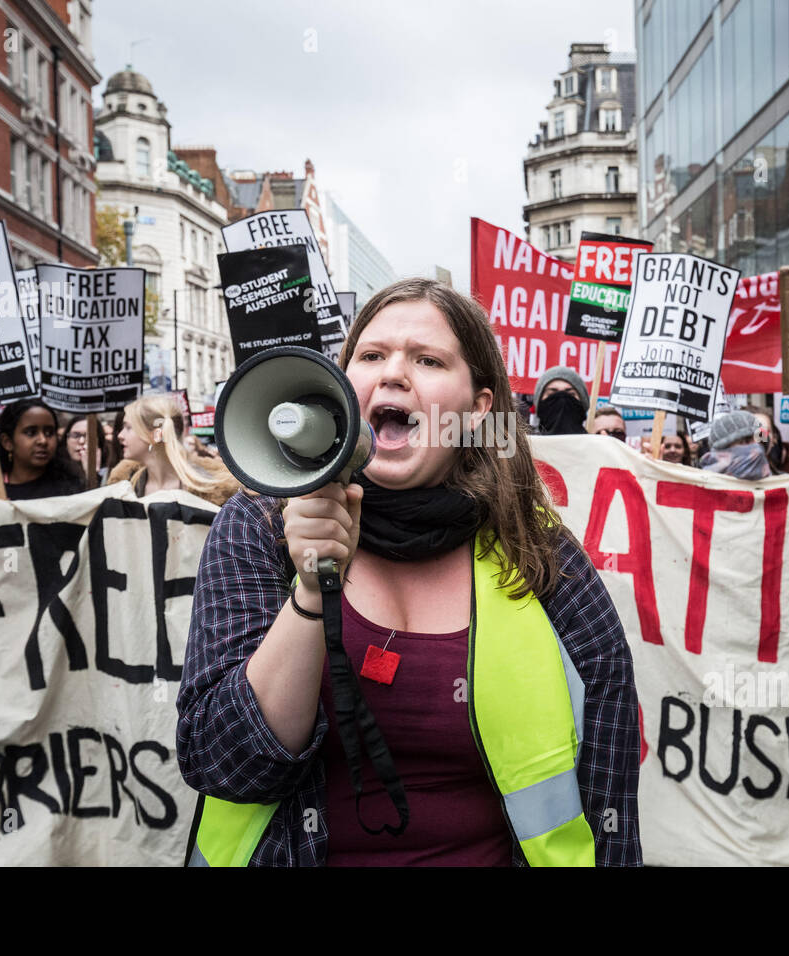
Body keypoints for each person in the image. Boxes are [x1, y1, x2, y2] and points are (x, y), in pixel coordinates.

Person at [178, 277, 641, 866]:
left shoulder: (543, 558)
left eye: (427, 359)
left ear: (477, 412)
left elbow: (611, 797)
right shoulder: (260, 529)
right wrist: (309, 595)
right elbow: (221, 763)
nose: (393, 373)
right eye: (371, 356)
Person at [110, 394, 240, 506]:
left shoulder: (212, 491)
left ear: (154, 435)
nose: (120, 435)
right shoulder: (125, 487)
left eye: (128, 428)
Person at [0, 399, 84, 508]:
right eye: (31, 433)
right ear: (7, 441)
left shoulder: (71, 491)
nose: (43, 440)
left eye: (49, 433)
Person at [699, 410, 772, 478]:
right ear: (723, 451)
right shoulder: (701, 487)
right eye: (746, 441)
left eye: (760, 442)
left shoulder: (776, 485)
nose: (758, 449)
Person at [533, 365, 588, 435]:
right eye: (551, 395)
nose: (562, 400)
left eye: (571, 395)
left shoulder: (597, 444)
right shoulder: (525, 445)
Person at [63, 414, 112, 483]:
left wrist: (93, 473)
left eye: (89, 436)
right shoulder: (53, 472)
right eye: (75, 435)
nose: (81, 441)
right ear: (66, 439)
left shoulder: (111, 471)